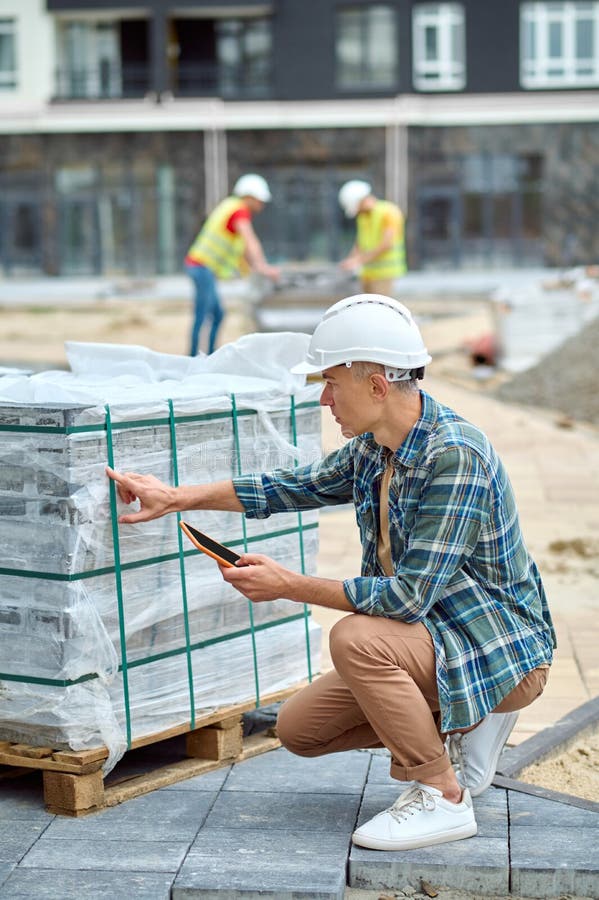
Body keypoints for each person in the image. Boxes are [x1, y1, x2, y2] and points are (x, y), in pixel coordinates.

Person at [106, 293, 555, 852]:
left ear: (376, 386)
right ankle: (465, 719)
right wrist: (176, 498)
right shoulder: (376, 447)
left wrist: (288, 587)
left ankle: (442, 796)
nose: (324, 399)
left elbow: (407, 599)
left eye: (332, 384)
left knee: (358, 640)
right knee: (301, 731)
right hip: (436, 639)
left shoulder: (454, 456)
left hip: (498, 648)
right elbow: (291, 488)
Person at [184, 173, 280, 356]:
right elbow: (250, 240)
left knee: (215, 314)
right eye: (260, 200)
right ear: (249, 196)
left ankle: (207, 354)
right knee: (205, 314)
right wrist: (263, 266)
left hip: (202, 267)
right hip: (201, 267)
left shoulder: (231, 207)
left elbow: (241, 249)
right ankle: (197, 357)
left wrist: (252, 268)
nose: (261, 205)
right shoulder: (239, 210)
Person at [338, 180, 407, 296]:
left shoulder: (389, 212)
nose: (358, 212)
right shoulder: (363, 217)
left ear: (361, 201)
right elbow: (360, 242)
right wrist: (351, 259)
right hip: (367, 273)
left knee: (381, 310)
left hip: (384, 274)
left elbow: (386, 244)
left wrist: (358, 261)